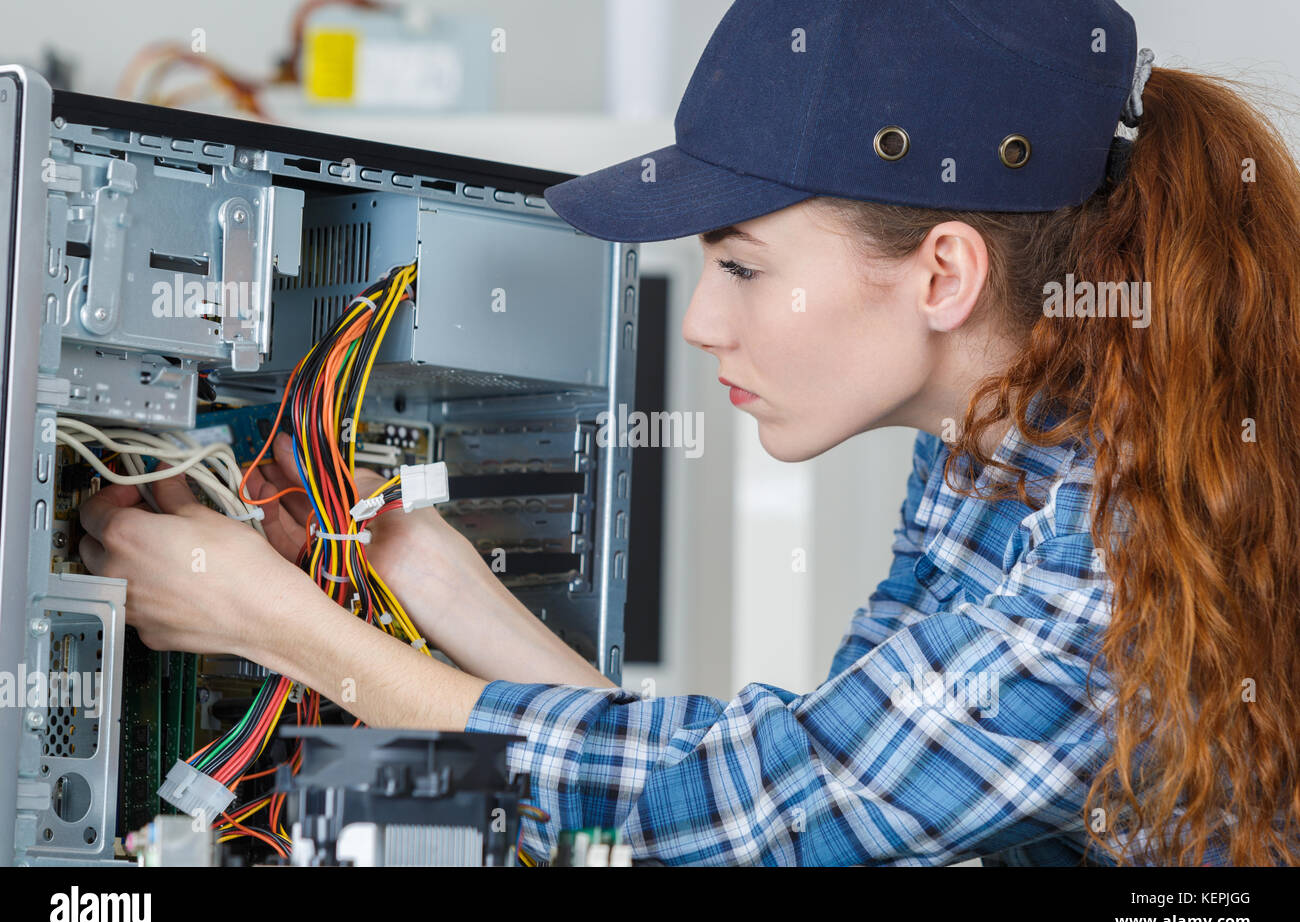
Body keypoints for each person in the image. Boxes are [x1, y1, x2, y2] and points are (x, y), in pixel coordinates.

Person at [77, 0, 1300, 866]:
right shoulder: (999, 438)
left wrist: (277, 628)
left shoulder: (1112, 556)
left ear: (942, 273)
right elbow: (790, 793)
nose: (704, 321)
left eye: (741, 266)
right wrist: (428, 578)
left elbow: (760, 818)